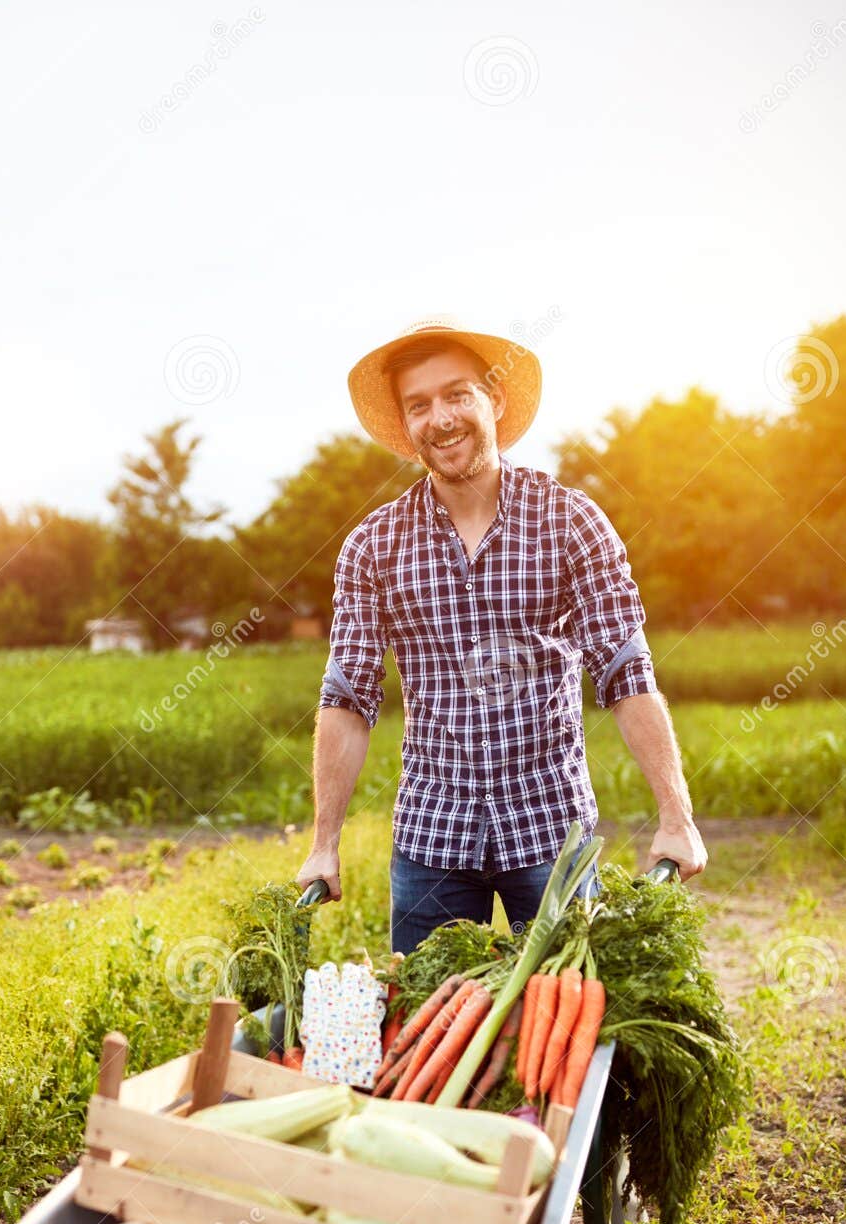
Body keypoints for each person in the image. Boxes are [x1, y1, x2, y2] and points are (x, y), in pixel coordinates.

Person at [296, 317, 707, 953]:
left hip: (549, 832)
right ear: (407, 427)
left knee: (568, 1024)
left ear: (496, 401)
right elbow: (348, 696)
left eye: (458, 394)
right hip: (432, 839)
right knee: (425, 1034)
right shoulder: (372, 547)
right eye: (419, 405)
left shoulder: (570, 521)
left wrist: (677, 817)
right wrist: (324, 844)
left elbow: (625, 671)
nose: (441, 418)